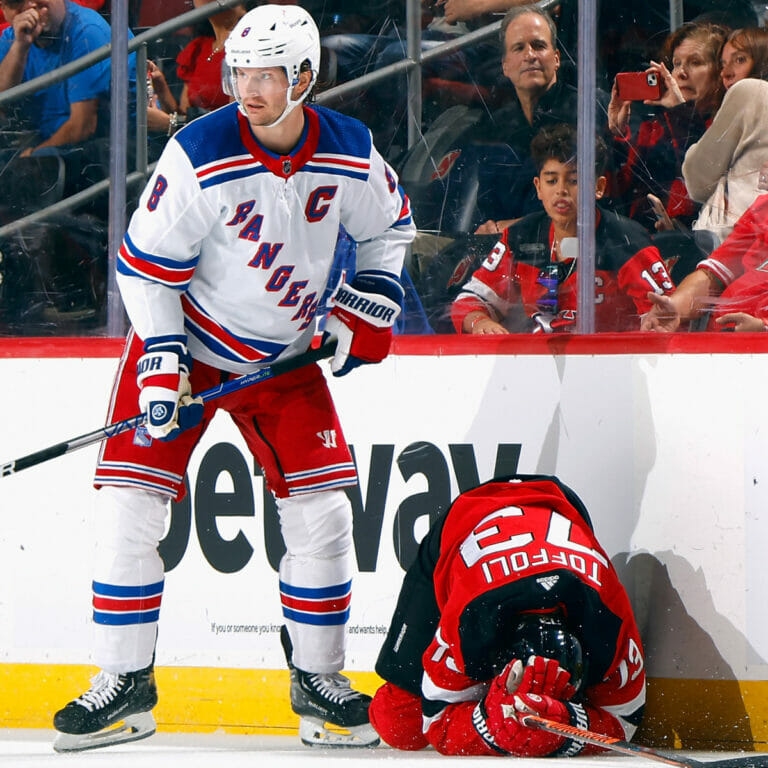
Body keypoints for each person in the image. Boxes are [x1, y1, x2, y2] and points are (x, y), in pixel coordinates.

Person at [50, 3, 415, 753]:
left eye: (265, 75)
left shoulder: (350, 149)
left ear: (305, 78)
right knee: (128, 507)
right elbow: (142, 269)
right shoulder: (197, 150)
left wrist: (362, 302)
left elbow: (390, 229)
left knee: (322, 516)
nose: (246, 87)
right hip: (188, 338)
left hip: (284, 360)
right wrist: (159, 362)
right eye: (239, 71)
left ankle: (320, 681)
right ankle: (124, 684)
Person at [368, 473, 647, 755]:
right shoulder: (471, 621)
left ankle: (514, 690)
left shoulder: (605, 619)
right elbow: (434, 719)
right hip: (463, 520)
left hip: (558, 505)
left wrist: (564, 726)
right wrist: (491, 725)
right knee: (399, 724)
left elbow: (627, 718)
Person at [450, 123, 674, 334]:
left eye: (574, 180)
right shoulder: (519, 237)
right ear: (538, 187)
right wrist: (481, 323)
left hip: (612, 366)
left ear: (599, 187)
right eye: (551, 181)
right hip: (538, 364)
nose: (561, 191)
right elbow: (469, 301)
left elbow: (666, 315)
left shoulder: (628, 242)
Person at [413, 4, 609, 237]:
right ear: (505, 66)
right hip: (502, 249)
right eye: (519, 48)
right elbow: (485, 205)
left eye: (539, 46)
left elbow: (589, 207)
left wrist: (512, 227)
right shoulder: (496, 125)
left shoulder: (588, 109)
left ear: (556, 58)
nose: (530, 56)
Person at [607, 21, 728, 233]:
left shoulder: (728, 125)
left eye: (695, 62)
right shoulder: (654, 129)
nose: (681, 73)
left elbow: (701, 181)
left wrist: (681, 112)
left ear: (720, 72)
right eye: (677, 63)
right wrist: (616, 136)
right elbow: (616, 193)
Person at [0, 0, 137, 158]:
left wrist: (31, 157)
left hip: (101, 150)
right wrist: (21, 45)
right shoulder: (13, 37)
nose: (30, 5)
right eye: (14, 1)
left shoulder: (87, 32)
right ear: (3, 10)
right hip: (45, 143)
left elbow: (83, 126)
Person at [641, 165, 768, 332]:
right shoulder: (763, 208)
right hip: (714, 347)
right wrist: (675, 307)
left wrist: (762, 331)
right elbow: (714, 274)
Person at [680, 27, 768, 247]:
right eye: (722, 63)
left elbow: (697, 182)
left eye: (739, 60)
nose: (726, 72)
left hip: (732, 244)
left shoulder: (749, 89)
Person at [146, 0, 248, 137]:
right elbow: (184, 115)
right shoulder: (198, 48)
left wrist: (171, 124)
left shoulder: (248, 45)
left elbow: (235, 122)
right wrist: (160, 85)